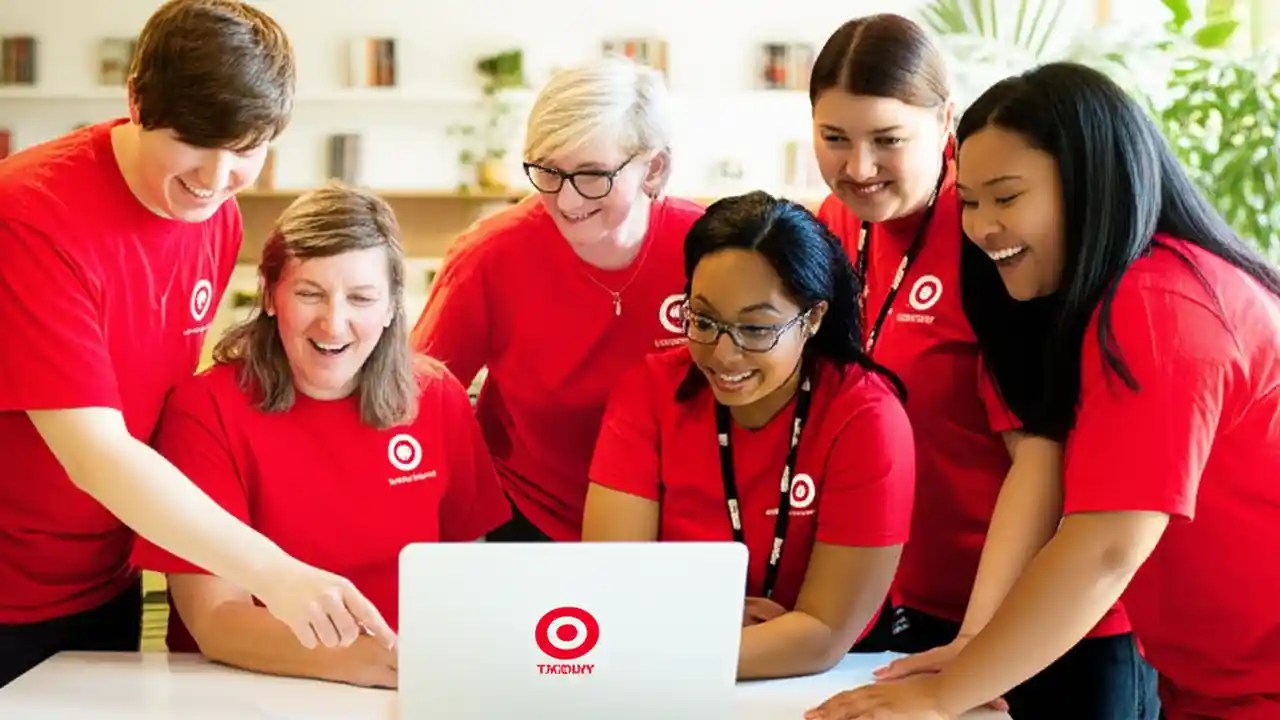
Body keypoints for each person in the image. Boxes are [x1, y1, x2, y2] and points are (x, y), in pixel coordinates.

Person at [806, 62, 1280, 720]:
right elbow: (1047, 463)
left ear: (1089, 184)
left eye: (1006, 198)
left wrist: (943, 695)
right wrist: (971, 653)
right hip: (1207, 683)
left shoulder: (1162, 303)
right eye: (970, 202)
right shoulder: (1117, 298)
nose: (981, 227)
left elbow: (1107, 546)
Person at [0, 0, 392, 688]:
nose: (214, 178)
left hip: (105, 581)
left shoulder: (216, 218)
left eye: (244, 149)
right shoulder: (30, 217)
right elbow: (95, 452)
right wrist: (274, 572)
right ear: (134, 101)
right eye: (192, 142)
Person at [806, 13, 1156, 718]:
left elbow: (1039, 448)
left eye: (888, 140)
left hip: (1044, 620)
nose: (859, 168)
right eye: (835, 138)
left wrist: (978, 640)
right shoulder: (833, 229)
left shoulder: (992, 233)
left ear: (946, 121)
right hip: (906, 608)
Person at [130, 183, 510, 688]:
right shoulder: (205, 410)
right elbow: (215, 620)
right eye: (309, 294)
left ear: (392, 307)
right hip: (247, 690)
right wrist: (365, 662)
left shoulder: (436, 396)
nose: (334, 324)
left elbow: (466, 574)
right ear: (270, 295)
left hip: (406, 684)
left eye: (361, 298)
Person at [582, 192, 915, 680]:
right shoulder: (650, 391)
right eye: (703, 320)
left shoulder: (866, 417)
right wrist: (716, 618)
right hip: (669, 676)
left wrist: (661, 640)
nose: (724, 354)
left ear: (813, 318)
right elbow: (611, 587)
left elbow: (823, 635)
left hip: (829, 682)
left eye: (756, 328)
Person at [410, 56, 705, 543]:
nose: (566, 201)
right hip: (530, 515)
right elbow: (415, 400)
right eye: (548, 171)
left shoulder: (707, 248)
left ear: (654, 169)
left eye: (592, 175)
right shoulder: (491, 255)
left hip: (677, 519)